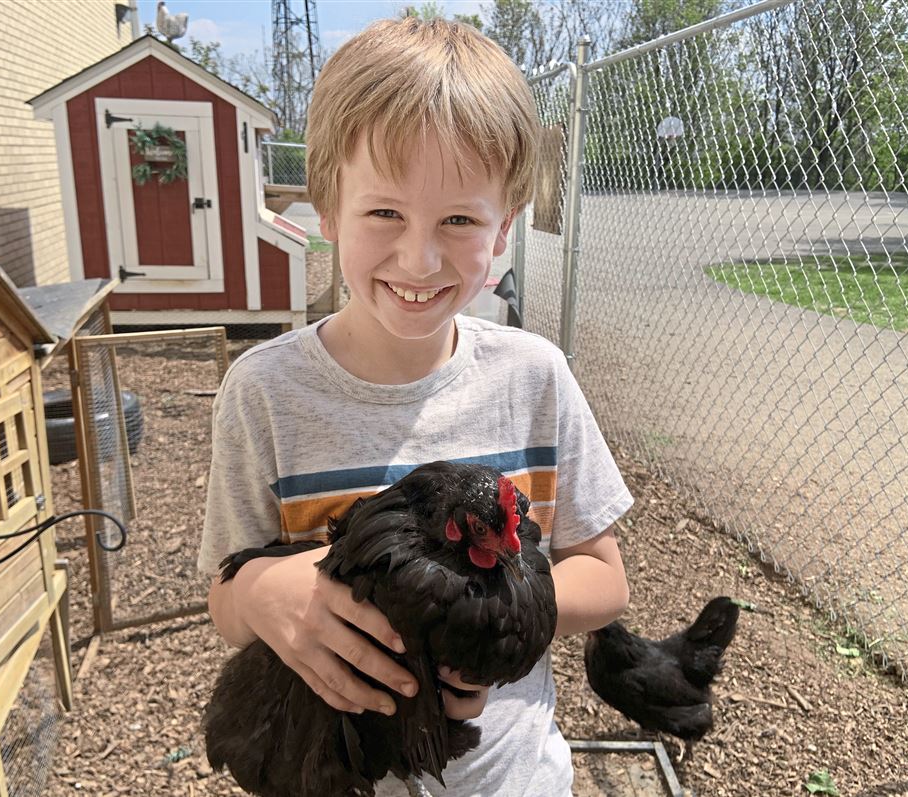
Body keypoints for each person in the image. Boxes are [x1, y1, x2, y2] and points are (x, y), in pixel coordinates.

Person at [199, 16, 632, 796]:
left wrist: (492, 622)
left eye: (459, 220)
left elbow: (605, 580)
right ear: (327, 212)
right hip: (331, 773)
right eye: (385, 213)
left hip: (512, 781)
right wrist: (261, 591)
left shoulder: (535, 376)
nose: (419, 257)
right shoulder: (266, 393)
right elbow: (226, 601)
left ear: (504, 228)